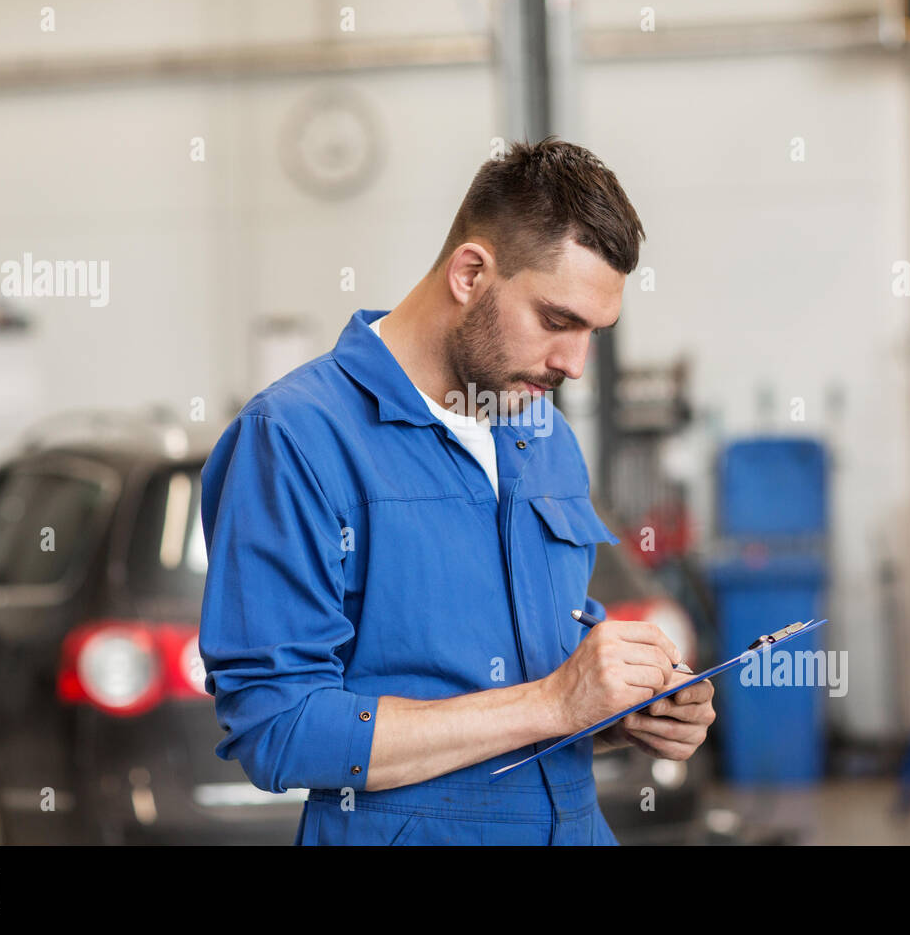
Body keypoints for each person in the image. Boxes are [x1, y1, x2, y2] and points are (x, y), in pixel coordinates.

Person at [198, 138, 716, 845]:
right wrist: (553, 704)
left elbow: (551, 679)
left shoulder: (540, 433)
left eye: (595, 332)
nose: (575, 363)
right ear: (471, 272)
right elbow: (278, 729)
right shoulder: (295, 439)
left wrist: (625, 708)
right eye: (558, 321)